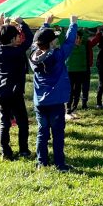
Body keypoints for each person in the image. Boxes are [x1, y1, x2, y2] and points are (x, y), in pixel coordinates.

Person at [29, 15, 79, 171]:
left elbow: (36, 41)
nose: (57, 40)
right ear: (51, 43)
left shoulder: (33, 56)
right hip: (56, 102)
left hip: (40, 103)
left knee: (42, 132)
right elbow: (69, 42)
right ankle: (59, 164)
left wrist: (46, 23)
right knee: (57, 134)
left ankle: (41, 162)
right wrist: (73, 24)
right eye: (55, 39)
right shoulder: (57, 55)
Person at [0, 14, 33, 160]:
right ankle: (23, 150)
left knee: (4, 123)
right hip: (15, 93)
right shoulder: (17, 51)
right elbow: (29, 38)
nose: (19, 38)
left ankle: (6, 152)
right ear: (12, 39)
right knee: (22, 122)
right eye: (17, 36)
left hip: (2, 93)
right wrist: (22, 23)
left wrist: (3, 24)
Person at [66, 28, 101, 116]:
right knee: (71, 89)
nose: (78, 40)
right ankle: (69, 107)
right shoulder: (70, 46)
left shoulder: (84, 44)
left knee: (80, 88)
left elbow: (86, 37)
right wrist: (77, 27)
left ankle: (78, 106)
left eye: (80, 38)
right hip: (72, 71)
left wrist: (84, 27)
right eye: (76, 38)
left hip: (82, 70)